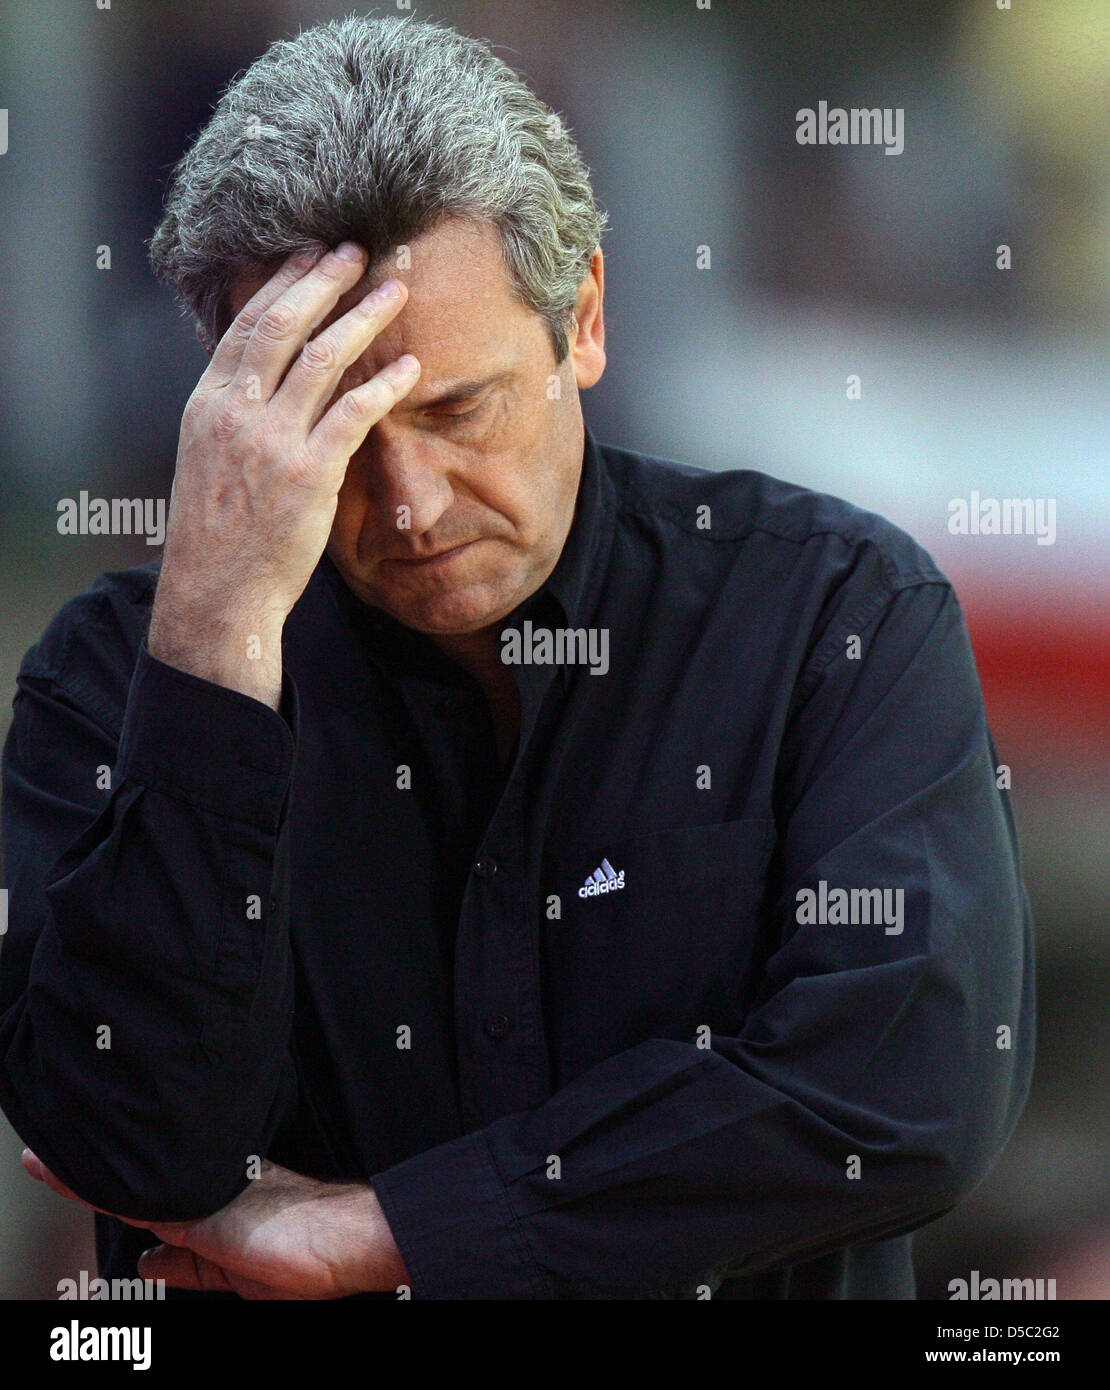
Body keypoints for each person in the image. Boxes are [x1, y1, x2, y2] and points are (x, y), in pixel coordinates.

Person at [0, 13, 1033, 1300]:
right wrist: (216, 641)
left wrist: (392, 1233)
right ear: (228, 403)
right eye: (336, 428)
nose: (414, 500)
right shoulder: (119, 677)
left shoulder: (834, 614)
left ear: (583, 318)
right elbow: (131, 1146)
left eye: (454, 408)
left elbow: (901, 1090)